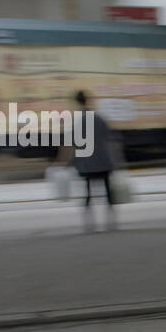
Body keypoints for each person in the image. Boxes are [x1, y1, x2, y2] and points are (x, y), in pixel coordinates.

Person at [57, 90, 118, 232]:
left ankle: (89, 225)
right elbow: (111, 140)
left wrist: (62, 162)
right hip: (104, 162)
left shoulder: (76, 121)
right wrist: (115, 160)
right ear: (88, 100)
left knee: (88, 193)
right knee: (108, 193)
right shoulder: (99, 118)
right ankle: (112, 223)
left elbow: (68, 145)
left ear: (76, 102)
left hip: (86, 164)